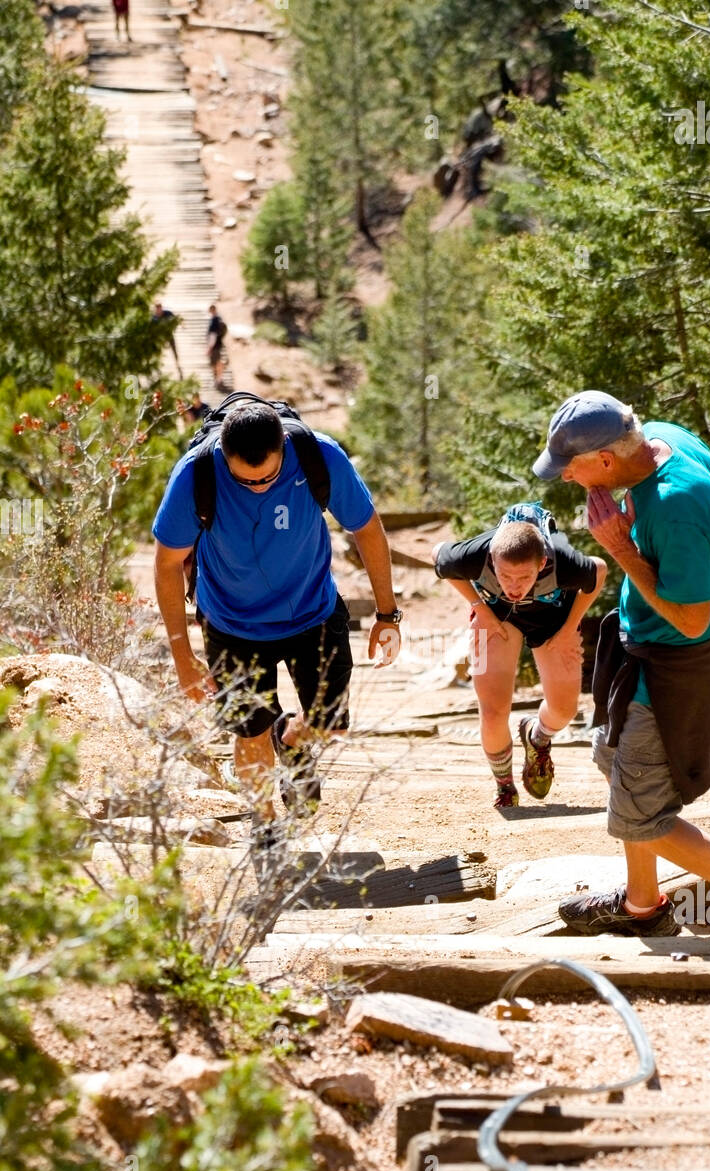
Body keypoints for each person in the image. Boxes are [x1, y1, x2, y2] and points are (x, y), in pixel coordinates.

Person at [532, 389, 710, 935]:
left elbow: (691, 619)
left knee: (641, 815)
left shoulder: (677, 506)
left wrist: (619, 549)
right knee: (615, 766)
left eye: (572, 467)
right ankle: (643, 906)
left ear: (608, 460)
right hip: (644, 647)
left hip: (676, 665)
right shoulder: (660, 438)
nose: (566, 478)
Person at [152, 400, 403, 831]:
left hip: (313, 611)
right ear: (223, 456)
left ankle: (290, 735)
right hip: (231, 623)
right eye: (244, 480)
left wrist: (387, 613)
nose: (258, 488)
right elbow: (166, 564)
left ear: (283, 445)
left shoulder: (318, 456)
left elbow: (366, 528)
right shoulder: (197, 474)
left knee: (330, 724)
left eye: (268, 477)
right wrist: (181, 655)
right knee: (248, 731)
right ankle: (264, 823)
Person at [433, 505, 606, 808]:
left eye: (523, 576)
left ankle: (537, 737)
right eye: (504, 574)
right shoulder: (476, 554)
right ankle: (504, 787)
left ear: (541, 564)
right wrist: (482, 610)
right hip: (497, 618)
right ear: (491, 561)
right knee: (492, 709)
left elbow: (599, 570)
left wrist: (568, 629)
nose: (513, 586)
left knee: (564, 710)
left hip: (552, 619)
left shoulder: (563, 562)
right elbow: (438, 555)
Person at [152, 301, 181, 374]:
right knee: (158, 351)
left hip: (169, 334)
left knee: (174, 348)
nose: (159, 310)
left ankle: (177, 362)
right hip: (160, 337)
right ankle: (158, 364)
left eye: (160, 308)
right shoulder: (154, 318)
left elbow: (175, 320)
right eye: (157, 309)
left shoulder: (168, 313)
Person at [206, 305, 228, 390]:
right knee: (217, 362)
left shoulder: (214, 321)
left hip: (215, 346)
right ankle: (218, 379)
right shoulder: (218, 319)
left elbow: (213, 335)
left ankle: (218, 379)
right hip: (218, 345)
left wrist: (209, 348)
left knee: (216, 363)